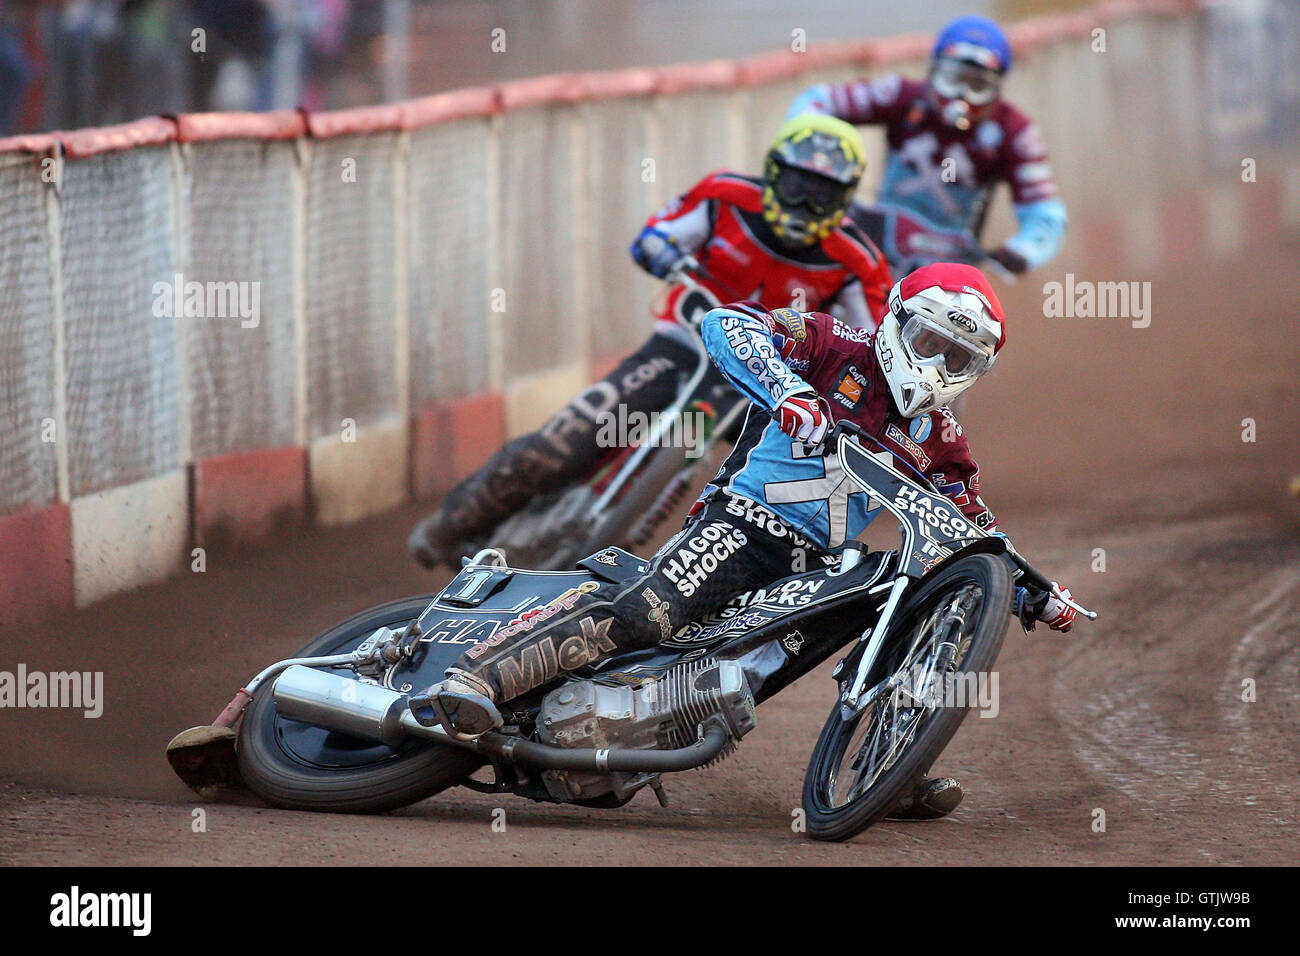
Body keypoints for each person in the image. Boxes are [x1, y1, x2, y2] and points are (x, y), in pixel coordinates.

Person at [420, 262, 1077, 820]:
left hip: (813, 566)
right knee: (656, 611)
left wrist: (1032, 590)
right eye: (930, 340)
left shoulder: (941, 441)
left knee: (898, 593)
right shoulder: (833, 343)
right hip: (742, 522)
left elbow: (971, 527)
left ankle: (896, 761)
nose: (937, 365)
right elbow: (728, 324)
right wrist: (788, 388)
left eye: (958, 358)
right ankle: (478, 675)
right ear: (898, 318)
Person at [408, 114, 893, 569]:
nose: (806, 205)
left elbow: (874, 343)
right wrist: (659, 248)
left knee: (778, 495)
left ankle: (713, 588)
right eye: (797, 187)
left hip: (771, 381)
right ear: (772, 174)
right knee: (568, 440)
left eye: (822, 195)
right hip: (681, 346)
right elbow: (657, 233)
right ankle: (453, 526)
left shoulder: (858, 259)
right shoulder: (724, 194)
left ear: (846, 198)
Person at [787, 15, 1067, 276]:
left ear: (998, 88)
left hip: (948, 264)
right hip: (879, 239)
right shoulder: (901, 95)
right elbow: (817, 100)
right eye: (951, 78)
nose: (962, 97)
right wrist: (807, 156)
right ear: (932, 71)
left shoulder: (1015, 131)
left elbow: (1044, 213)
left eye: (977, 85)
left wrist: (1024, 250)